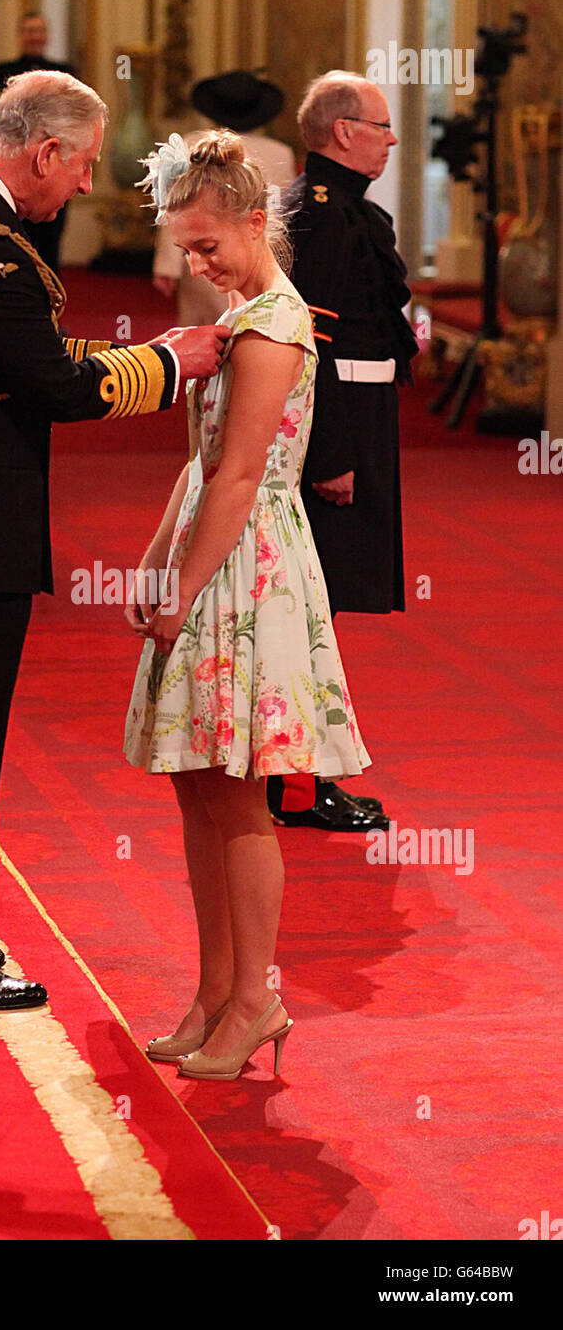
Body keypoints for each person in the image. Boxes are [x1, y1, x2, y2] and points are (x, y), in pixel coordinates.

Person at [0, 71, 230, 1012]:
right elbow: (59, 383)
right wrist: (170, 361)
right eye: (84, 166)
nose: (84, 186)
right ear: (45, 153)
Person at [123, 131, 370, 1080]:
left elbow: (237, 479)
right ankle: (215, 992)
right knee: (199, 785)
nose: (196, 262)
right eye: (184, 248)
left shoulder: (275, 324)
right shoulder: (238, 312)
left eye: (207, 244)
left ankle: (257, 998)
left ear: (255, 221)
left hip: (250, 568)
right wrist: (153, 563)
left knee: (242, 797)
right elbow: (197, 467)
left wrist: (181, 592)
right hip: (210, 549)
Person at [265, 71, 418, 833]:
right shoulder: (318, 217)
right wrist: (328, 455)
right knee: (309, 612)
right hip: (337, 428)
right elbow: (306, 345)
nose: (394, 140)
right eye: (384, 126)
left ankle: (307, 779)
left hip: (361, 417)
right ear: (345, 131)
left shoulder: (347, 210)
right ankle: (301, 787)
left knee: (320, 612)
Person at [152, 70, 296, 325]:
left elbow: (172, 210)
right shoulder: (281, 152)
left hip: (200, 255)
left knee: (200, 333)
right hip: (254, 256)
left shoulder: (190, 144)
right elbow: (279, 214)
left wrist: (167, 264)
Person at [0, 12, 76, 272]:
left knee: (51, 243)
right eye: (29, 30)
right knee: (18, 240)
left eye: (39, 30)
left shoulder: (65, 73)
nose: (34, 36)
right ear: (20, 35)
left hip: (55, 166)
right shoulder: (3, 72)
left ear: (46, 35)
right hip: (16, 166)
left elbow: (72, 120)